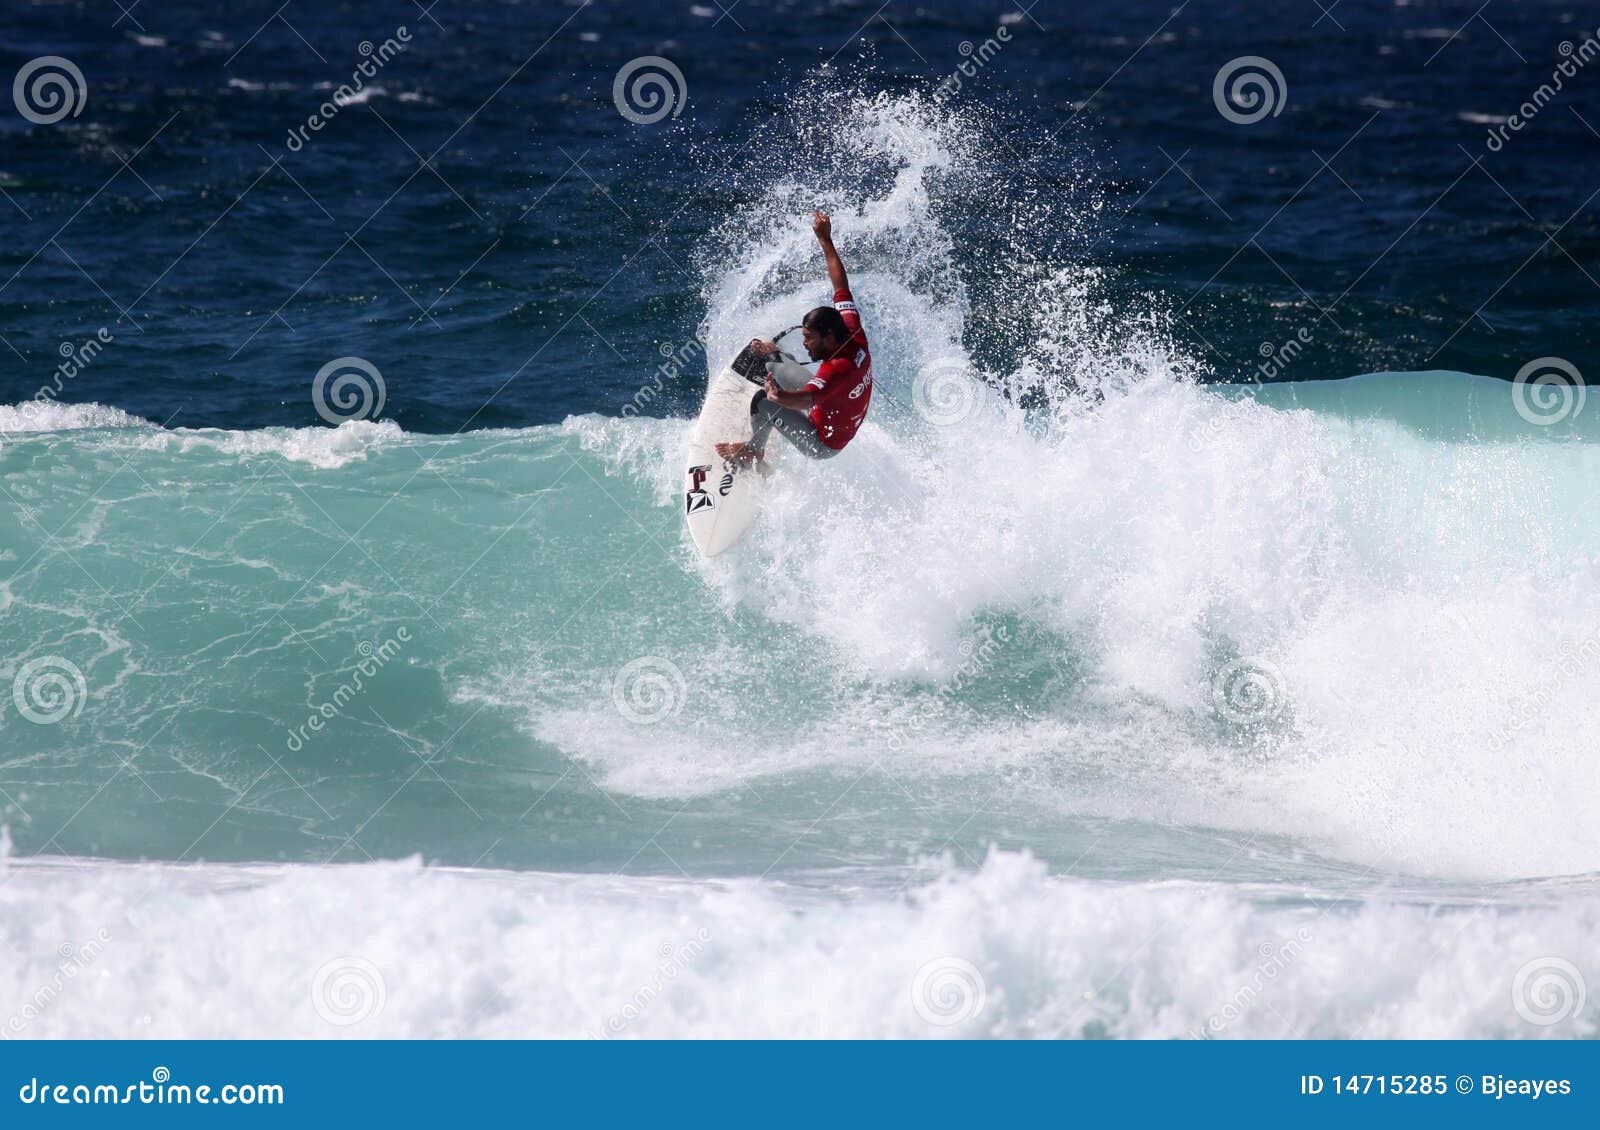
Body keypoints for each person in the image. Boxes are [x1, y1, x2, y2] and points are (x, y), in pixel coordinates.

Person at [716, 211, 872, 463]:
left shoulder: (835, 371)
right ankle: (770, 376)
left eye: (809, 338)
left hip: (822, 441)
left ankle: (753, 451)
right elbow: (841, 284)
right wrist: (825, 240)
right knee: (775, 358)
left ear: (829, 336)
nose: (805, 343)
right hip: (832, 403)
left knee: (762, 402)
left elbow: (806, 398)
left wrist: (778, 396)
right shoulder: (851, 329)